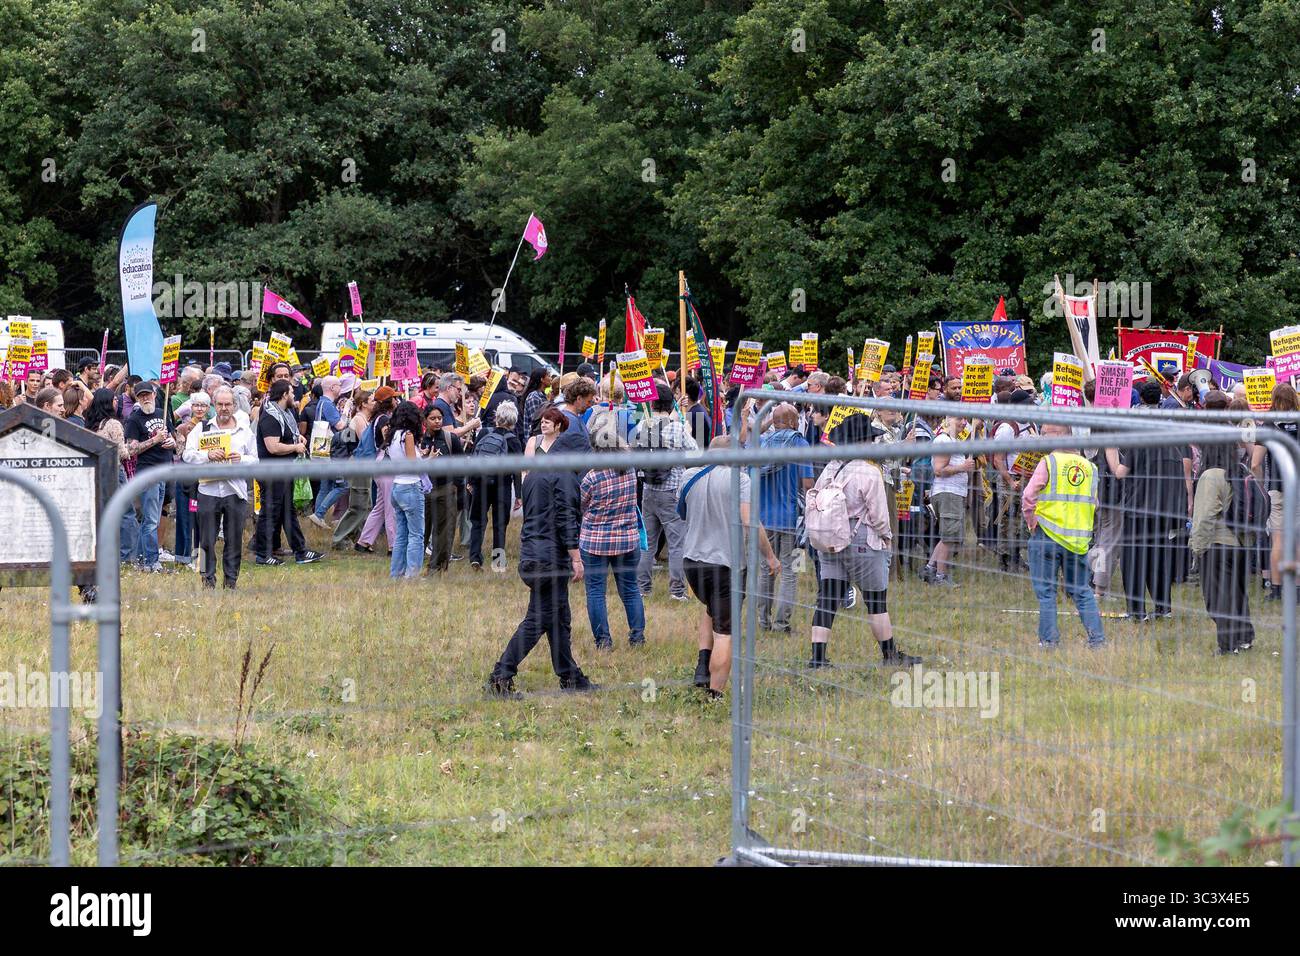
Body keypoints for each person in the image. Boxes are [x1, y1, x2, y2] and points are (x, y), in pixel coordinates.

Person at [485, 412, 596, 698]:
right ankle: (501, 676)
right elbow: (566, 519)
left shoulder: (533, 474)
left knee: (559, 617)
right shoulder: (564, 476)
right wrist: (576, 557)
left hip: (533, 554)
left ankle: (570, 676)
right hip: (551, 558)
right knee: (538, 620)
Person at [807, 414, 921, 667]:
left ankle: (817, 658)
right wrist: (887, 538)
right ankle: (890, 656)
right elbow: (879, 515)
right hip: (862, 540)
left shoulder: (831, 468)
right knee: (876, 601)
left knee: (827, 598)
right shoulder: (869, 471)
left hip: (831, 539)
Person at [679, 435, 780, 697]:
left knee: (710, 608)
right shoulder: (740, 480)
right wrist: (770, 556)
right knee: (726, 632)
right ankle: (715, 695)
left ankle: (702, 665)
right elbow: (750, 522)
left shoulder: (688, 476)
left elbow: (683, 513)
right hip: (726, 564)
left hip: (692, 561)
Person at [1021, 424, 1106, 647]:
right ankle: (1097, 640)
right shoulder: (1090, 468)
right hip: (1077, 540)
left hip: (1047, 534)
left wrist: (1032, 523)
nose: (1042, 437)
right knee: (1082, 592)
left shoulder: (1049, 462)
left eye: (1045, 433)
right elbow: (1094, 504)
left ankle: (1049, 641)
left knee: (1046, 592)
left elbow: (1028, 496)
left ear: (1058, 435)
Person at [1112, 381, 1187, 620]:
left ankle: (1136, 611)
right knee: (1159, 559)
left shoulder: (1140, 437)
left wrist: (1111, 452)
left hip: (1138, 508)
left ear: (1141, 401)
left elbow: (1121, 473)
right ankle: (1163, 607)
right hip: (1164, 510)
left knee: (1134, 561)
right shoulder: (1173, 440)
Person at [579, 410, 645, 649]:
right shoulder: (629, 471)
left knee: (596, 592)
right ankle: (637, 636)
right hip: (628, 539)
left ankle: (603, 641)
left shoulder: (591, 478)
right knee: (630, 588)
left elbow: (581, 504)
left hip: (596, 541)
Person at [182, 386, 257, 589]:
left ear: (234, 406)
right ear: (214, 406)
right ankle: (207, 580)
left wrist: (240, 459)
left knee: (233, 540)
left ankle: (231, 582)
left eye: (228, 404)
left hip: (235, 491)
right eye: (220, 404)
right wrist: (207, 455)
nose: (224, 408)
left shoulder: (244, 431)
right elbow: (187, 455)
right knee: (206, 540)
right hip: (208, 490)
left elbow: (255, 460)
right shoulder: (203, 428)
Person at [630, 382, 699, 600]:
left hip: (648, 490)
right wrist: (686, 429)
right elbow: (695, 453)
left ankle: (642, 588)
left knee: (647, 544)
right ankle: (677, 592)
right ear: (670, 404)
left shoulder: (644, 425)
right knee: (676, 544)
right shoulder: (677, 428)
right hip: (672, 492)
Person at [1190, 440, 1256, 655]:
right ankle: (1245, 637)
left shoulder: (1211, 476)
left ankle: (1228, 645)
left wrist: (1197, 547)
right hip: (1241, 544)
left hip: (1217, 544)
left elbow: (1205, 516)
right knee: (1237, 593)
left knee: (1217, 598)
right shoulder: (1240, 470)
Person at [756, 403, 813, 633]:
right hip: (792, 521)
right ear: (791, 422)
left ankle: (762, 621)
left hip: (762, 519)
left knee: (765, 569)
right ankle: (782, 624)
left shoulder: (762, 443)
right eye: (797, 419)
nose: (800, 423)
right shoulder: (800, 443)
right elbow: (808, 484)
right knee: (791, 572)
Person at [253, 380, 323, 566]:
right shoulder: (270, 415)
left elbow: (284, 435)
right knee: (270, 512)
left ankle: (300, 551)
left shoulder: (286, 413)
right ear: (284, 394)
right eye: (292, 392)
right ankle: (262, 554)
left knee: (287, 512)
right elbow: (273, 447)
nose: (295, 396)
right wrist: (296, 447)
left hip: (284, 470)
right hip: (272, 471)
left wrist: (295, 437)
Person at [1249, 382, 1299, 601]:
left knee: (1277, 538)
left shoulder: (1267, 424)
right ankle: (1297, 590)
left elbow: (1255, 463)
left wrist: (1261, 486)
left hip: (1277, 486)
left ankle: (1277, 588)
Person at [123, 382, 175, 571]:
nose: (146, 398)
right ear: (137, 398)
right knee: (151, 520)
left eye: (148, 394)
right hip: (148, 473)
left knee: (151, 519)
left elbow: (174, 437)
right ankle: (152, 562)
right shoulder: (134, 419)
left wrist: (172, 441)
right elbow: (131, 448)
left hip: (164, 471)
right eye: (141, 395)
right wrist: (155, 440)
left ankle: (139, 561)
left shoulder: (161, 413)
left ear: (154, 394)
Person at [86, 387, 141, 563]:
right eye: (114, 399)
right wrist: (133, 447)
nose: (117, 402)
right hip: (114, 471)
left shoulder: (90, 423)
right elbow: (122, 452)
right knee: (127, 514)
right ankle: (127, 557)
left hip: (96, 472)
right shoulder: (113, 424)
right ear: (107, 403)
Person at [921, 412, 976, 586]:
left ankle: (930, 569)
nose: (963, 422)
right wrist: (963, 467)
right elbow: (938, 469)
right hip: (948, 493)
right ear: (948, 419)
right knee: (949, 537)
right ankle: (940, 577)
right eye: (959, 418)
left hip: (953, 493)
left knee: (948, 535)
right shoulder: (943, 440)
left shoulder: (954, 441)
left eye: (965, 419)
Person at [467, 400, 522, 570]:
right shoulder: (514, 441)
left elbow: (473, 457)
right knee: (499, 525)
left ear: (496, 417)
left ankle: (475, 557)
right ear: (513, 420)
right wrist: (518, 494)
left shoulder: (484, 433)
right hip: (502, 486)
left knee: (477, 521)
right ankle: (498, 561)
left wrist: (470, 481)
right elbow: (517, 470)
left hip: (481, 484)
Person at [991, 390, 1036, 572]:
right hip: (1012, 480)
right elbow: (998, 459)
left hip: (1029, 480)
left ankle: (1017, 556)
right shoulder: (1007, 429)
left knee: (1022, 520)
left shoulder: (1031, 424)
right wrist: (1010, 481)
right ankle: (1005, 559)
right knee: (1008, 521)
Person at [384, 401, 427, 579]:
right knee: (416, 535)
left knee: (401, 535)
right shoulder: (408, 435)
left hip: (397, 486)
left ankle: (396, 573)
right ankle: (412, 575)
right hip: (411, 486)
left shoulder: (393, 435)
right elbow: (412, 463)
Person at [355, 386, 400, 554]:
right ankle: (393, 546)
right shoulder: (383, 420)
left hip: (379, 463)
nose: (397, 400)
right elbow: (388, 440)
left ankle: (364, 542)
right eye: (394, 398)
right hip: (386, 463)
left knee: (380, 507)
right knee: (391, 507)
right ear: (388, 402)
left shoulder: (378, 418)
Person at [420, 403, 464, 573]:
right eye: (433, 418)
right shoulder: (418, 440)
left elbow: (460, 464)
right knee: (421, 530)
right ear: (425, 421)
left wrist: (457, 485)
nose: (437, 421)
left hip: (446, 489)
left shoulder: (450, 438)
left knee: (444, 532)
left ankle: (436, 567)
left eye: (439, 418)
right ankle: (414, 566)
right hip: (424, 491)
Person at [331, 388, 378, 549]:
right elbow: (366, 442)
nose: (375, 403)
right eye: (372, 400)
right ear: (364, 404)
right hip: (358, 466)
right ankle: (339, 538)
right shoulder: (359, 420)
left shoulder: (365, 419)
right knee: (358, 505)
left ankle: (355, 536)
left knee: (366, 505)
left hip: (363, 466)